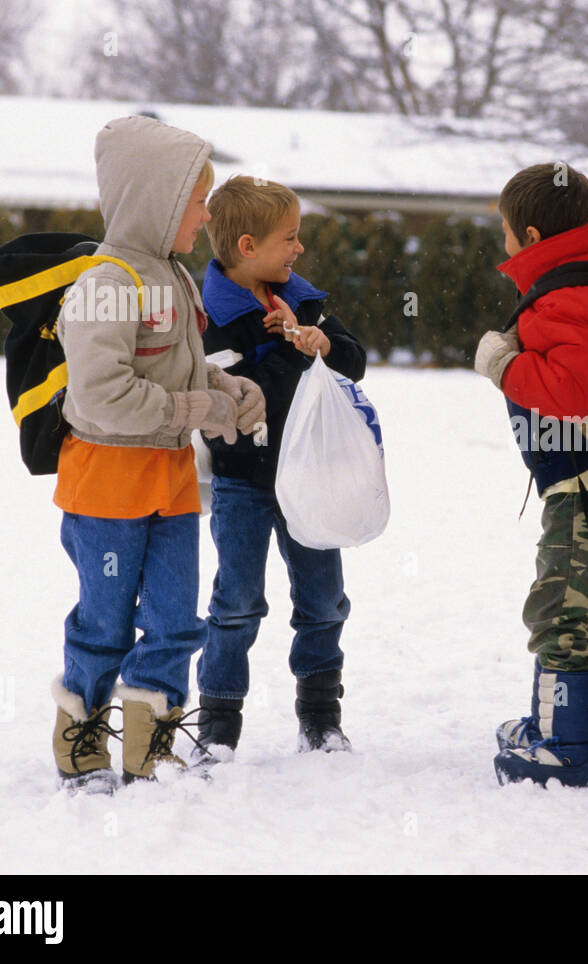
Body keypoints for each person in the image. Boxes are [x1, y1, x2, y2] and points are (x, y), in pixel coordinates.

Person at [51, 115, 265, 790]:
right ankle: (80, 744)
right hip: (107, 484)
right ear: (157, 199)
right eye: (196, 201)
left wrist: (226, 388)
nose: (206, 217)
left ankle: (153, 748)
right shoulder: (106, 283)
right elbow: (99, 395)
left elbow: (179, 372)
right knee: (104, 624)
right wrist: (190, 409)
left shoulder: (174, 276)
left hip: (169, 480)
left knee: (176, 622)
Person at [193, 175, 368, 756]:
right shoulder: (209, 317)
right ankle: (218, 723)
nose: (298, 250)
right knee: (236, 603)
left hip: (309, 476)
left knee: (322, 603)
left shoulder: (302, 298)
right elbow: (238, 394)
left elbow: (354, 361)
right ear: (247, 246)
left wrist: (317, 341)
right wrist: (292, 354)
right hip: (243, 480)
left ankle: (320, 716)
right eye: (288, 239)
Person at [474, 162, 588, 788]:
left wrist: (502, 364)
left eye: (509, 234)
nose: (505, 246)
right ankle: (553, 726)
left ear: (533, 235)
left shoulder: (564, 295)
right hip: (587, 476)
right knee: (558, 604)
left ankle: (569, 748)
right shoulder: (583, 282)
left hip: (587, 479)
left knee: (559, 613)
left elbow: (565, 394)